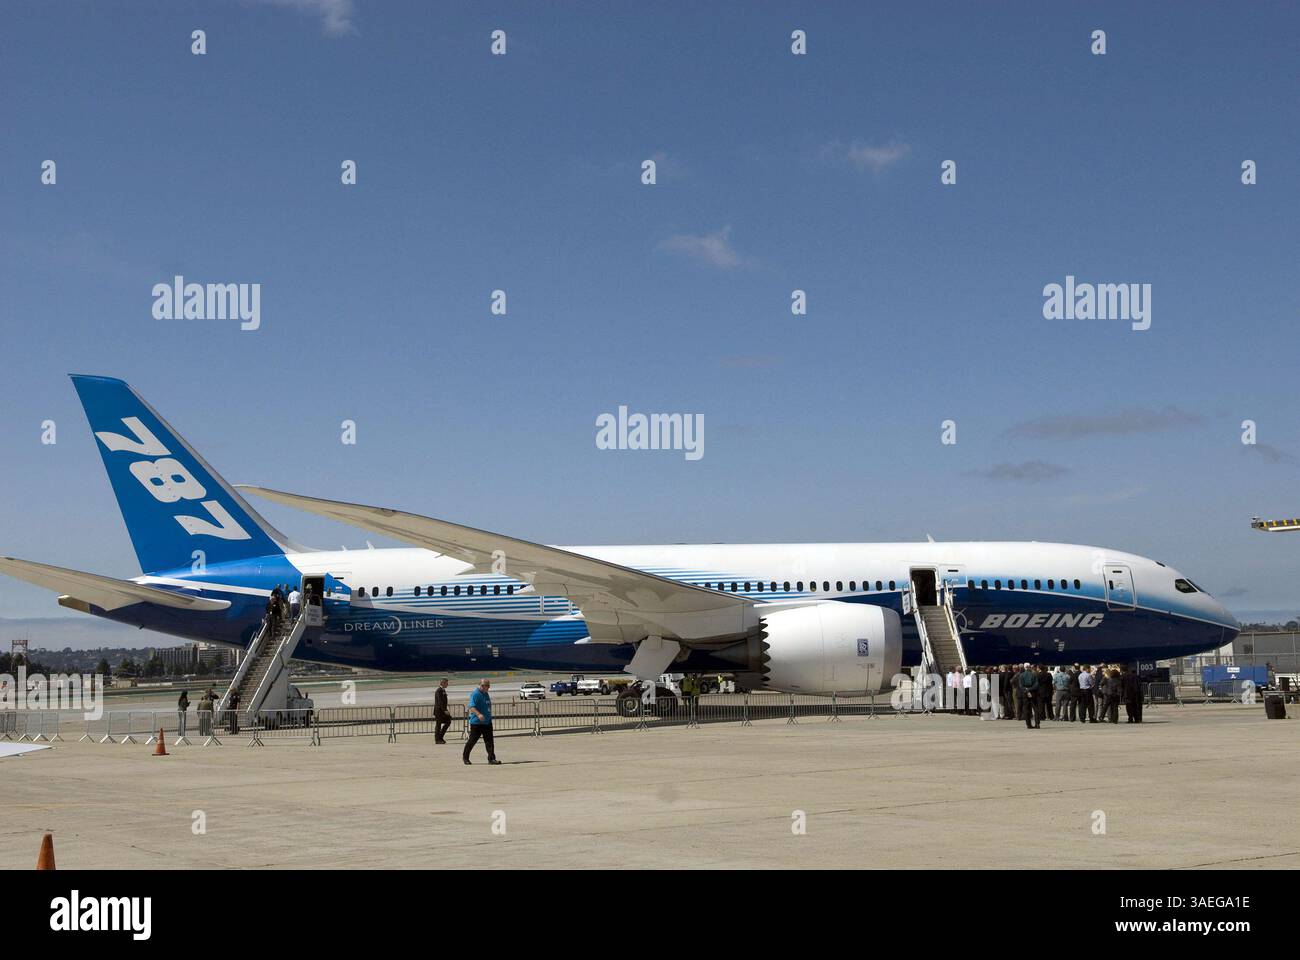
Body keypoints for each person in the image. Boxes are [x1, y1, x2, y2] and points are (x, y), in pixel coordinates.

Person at [463, 679, 500, 765]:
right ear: (482, 686)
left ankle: (491, 759)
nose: (489, 688)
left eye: (489, 686)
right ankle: (465, 757)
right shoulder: (475, 694)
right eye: (487, 686)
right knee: (472, 740)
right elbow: (471, 706)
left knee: (489, 741)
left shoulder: (485, 693)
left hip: (487, 722)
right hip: (477, 723)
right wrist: (479, 714)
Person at [1018, 663, 1039, 729]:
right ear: (1030, 667)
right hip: (1033, 693)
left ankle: (1028, 724)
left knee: (1026, 709)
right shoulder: (1034, 674)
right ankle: (1037, 724)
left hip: (1025, 693)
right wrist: (1030, 690)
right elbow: (1036, 685)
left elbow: (1021, 686)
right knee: (1035, 709)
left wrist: (1027, 690)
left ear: (1024, 668)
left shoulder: (1021, 675)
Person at [434, 678, 452, 744]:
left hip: (442, 710)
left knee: (448, 721)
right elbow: (440, 702)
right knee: (438, 725)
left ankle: (440, 736)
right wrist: (445, 710)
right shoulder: (439, 691)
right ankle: (437, 739)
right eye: (446, 683)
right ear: (442, 683)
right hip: (439, 711)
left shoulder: (443, 690)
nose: (447, 684)